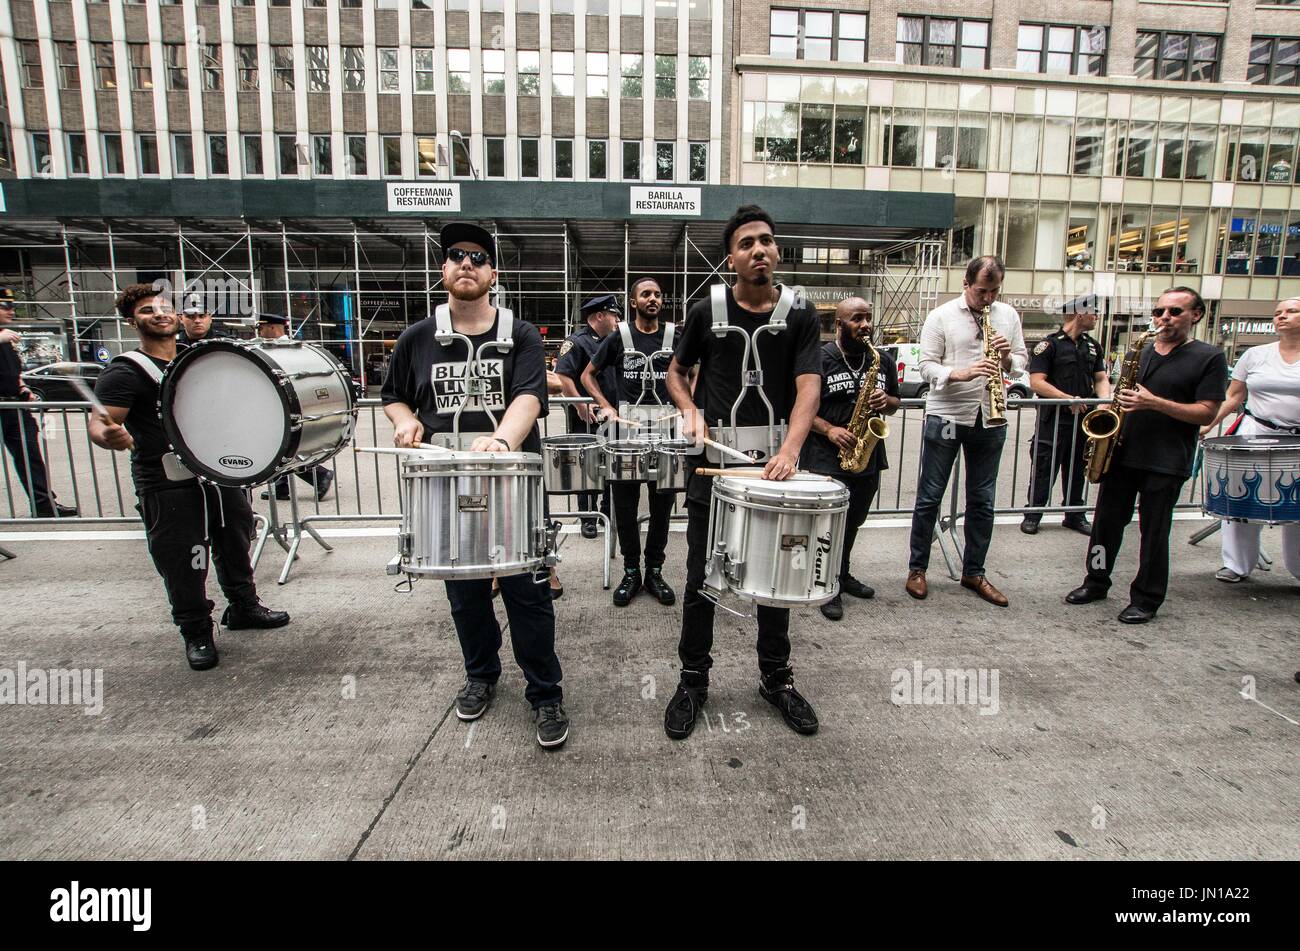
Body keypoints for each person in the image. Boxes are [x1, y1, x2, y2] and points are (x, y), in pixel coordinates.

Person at [381, 222, 569, 749]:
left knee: (528, 595)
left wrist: (504, 443)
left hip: (512, 486)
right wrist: (402, 420)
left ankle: (545, 692)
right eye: (456, 256)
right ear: (443, 270)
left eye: (478, 257)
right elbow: (392, 394)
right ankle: (481, 676)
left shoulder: (521, 333)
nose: (467, 263)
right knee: (465, 594)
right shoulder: (418, 336)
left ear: (493, 273)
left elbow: (529, 397)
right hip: (446, 488)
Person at [663, 204, 822, 739]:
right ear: (731, 257)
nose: (759, 250)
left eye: (767, 241)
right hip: (713, 466)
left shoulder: (801, 311)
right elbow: (676, 372)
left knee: (776, 581)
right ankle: (692, 681)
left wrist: (792, 450)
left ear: (777, 252)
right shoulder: (705, 309)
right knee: (702, 579)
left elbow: (808, 386)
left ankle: (776, 680)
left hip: (773, 469)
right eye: (747, 242)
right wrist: (690, 409)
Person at [89, 283, 290, 671]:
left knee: (234, 540)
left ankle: (243, 607)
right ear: (133, 321)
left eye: (165, 308)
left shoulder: (195, 360)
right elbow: (101, 423)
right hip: (167, 481)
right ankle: (196, 630)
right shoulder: (125, 371)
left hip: (216, 475)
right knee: (184, 559)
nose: (160, 314)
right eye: (148, 311)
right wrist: (108, 435)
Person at [1064, 287, 1228, 623]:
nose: (1164, 317)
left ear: (1195, 315)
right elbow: (1122, 392)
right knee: (1105, 526)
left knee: (1154, 532)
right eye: (1159, 312)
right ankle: (1095, 580)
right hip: (1123, 452)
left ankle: (1147, 598)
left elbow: (1207, 413)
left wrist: (1156, 403)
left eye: (1174, 312)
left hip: (1166, 459)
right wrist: (1110, 407)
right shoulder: (1143, 350)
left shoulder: (1208, 357)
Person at [906, 256, 1026, 607]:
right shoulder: (940, 316)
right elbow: (925, 365)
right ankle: (917, 569)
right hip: (946, 415)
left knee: (983, 500)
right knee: (930, 496)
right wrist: (958, 373)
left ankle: (974, 571)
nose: (987, 299)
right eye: (980, 291)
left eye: (993, 292)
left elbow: (1021, 363)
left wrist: (1006, 360)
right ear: (965, 283)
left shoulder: (1008, 315)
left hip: (990, 416)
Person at [801, 296, 900, 621]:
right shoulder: (819, 357)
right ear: (839, 325)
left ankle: (842, 574)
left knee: (854, 521)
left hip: (866, 456)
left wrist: (887, 401)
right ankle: (824, 583)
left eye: (868, 318)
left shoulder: (881, 360)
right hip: (826, 456)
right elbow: (799, 408)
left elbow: (896, 402)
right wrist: (829, 430)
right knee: (827, 525)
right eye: (857, 319)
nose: (865, 325)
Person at [580, 276, 677, 607]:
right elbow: (586, 375)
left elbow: (693, 371)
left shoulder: (674, 336)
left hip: (666, 431)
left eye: (658, 294)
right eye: (646, 294)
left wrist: (686, 403)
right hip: (625, 433)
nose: (653, 299)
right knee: (624, 505)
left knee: (662, 505)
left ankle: (655, 571)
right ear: (633, 302)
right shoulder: (619, 337)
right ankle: (632, 571)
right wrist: (605, 406)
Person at [1201, 296, 1300, 583]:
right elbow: (1234, 397)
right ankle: (1237, 564)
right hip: (1256, 432)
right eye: (1278, 312)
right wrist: (1207, 425)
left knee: (1296, 504)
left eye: (1291, 311)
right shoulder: (1255, 355)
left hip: (1296, 439)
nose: (1282, 316)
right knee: (1241, 498)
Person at [1021, 294, 1111, 536]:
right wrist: (1067, 398)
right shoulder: (1048, 346)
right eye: (1094, 312)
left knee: (1079, 467)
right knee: (1044, 468)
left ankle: (1074, 515)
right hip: (1054, 420)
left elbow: (1101, 379)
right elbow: (1036, 382)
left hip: (1084, 421)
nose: (1096, 317)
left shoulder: (1093, 346)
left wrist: (1103, 405)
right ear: (1080, 314)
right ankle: (1033, 514)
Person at [0, 287, 77, 518]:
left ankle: (44, 505)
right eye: (5, 306)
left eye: (12, 306)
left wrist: (22, 387)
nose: (11, 311)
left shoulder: (6, 338)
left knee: (30, 457)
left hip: (14, 407)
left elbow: (11, 371)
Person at [555, 295, 620, 538]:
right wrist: (580, 405)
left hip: (612, 414)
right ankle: (588, 516)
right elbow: (563, 376)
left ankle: (607, 510)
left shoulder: (615, 342)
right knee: (588, 464)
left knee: (612, 462)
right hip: (588, 417)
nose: (617, 320)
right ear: (599, 316)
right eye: (614, 315)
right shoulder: (577, 342)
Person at [255, 313, 333, 502]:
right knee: (280, 448)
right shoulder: (294, 349)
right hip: (286, 406)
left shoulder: (278, 351)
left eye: (261, 328)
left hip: (282, 407)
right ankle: (280, 486)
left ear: (272, 328)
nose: (259, 332)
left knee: (284, 448)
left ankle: (319, 475)